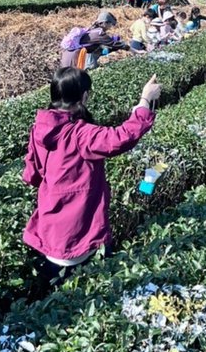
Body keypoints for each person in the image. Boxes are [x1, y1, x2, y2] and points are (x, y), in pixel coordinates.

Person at [23, 69, 159, 289]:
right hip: (77, 230)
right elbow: (121, 137)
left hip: (50, 222)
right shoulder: (78, 134)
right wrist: (145, 101)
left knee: (53, 296)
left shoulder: (40, 127)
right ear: (84, 96)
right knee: (88, 291)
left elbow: (32, 173)